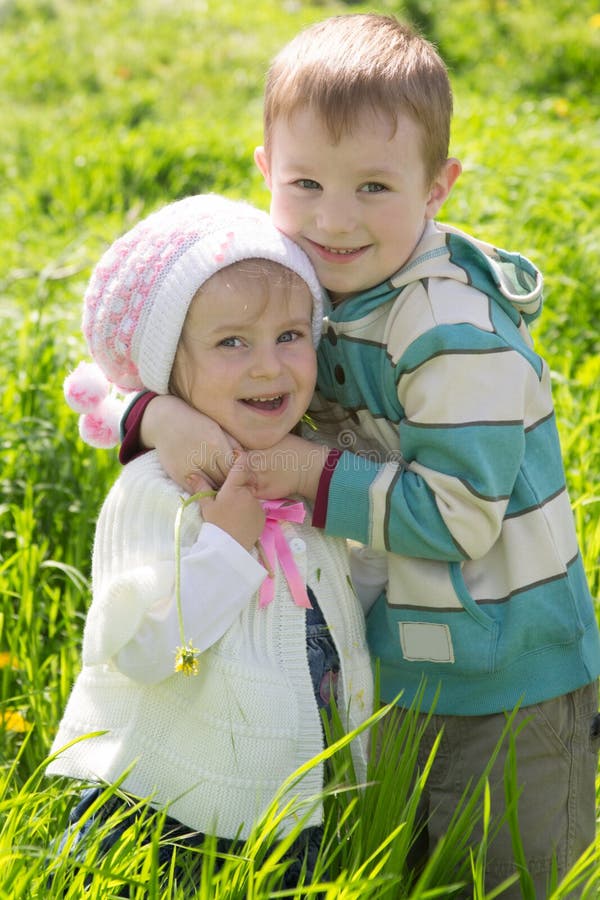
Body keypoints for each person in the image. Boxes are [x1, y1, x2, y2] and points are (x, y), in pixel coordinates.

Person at [117, 13, 600, 896]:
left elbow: (458, 516)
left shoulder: (450, 331)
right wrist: (156, 417)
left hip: (506, 672)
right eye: (305, 183)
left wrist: (306, 473)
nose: (334, 219)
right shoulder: (296, 280)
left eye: (374, 186)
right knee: (409, 869)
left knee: (514, 876)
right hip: (395, 664)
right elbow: (159, 349)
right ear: (266, 172)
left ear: (439, 186)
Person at [47, 193, 374, 891]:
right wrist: (224, 547)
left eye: (290, 335)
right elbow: (142, 652)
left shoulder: (299, 464)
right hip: (169, 815)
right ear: (170, 367)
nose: (269, 367)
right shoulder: (159, 493)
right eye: (232, 343)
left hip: (287, 809)